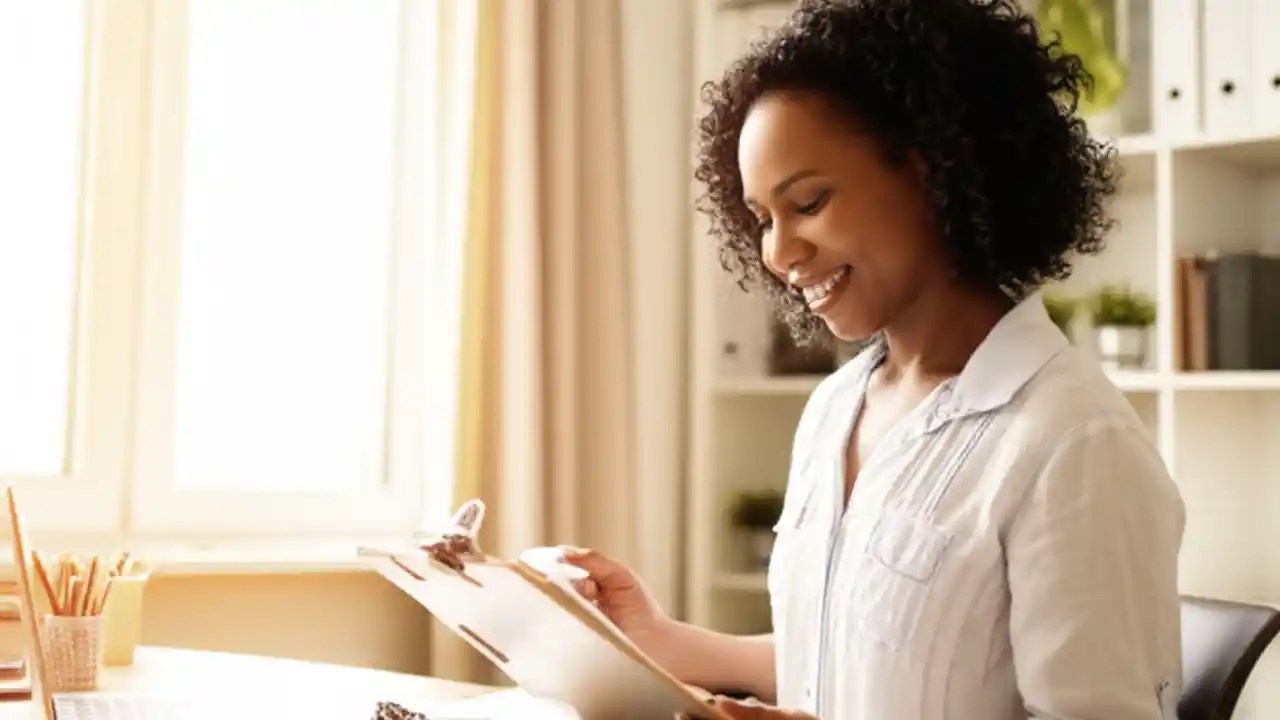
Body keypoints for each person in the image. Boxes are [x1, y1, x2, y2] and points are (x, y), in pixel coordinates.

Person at [562, 1, 1185, 718]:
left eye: (809, 202)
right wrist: (663, 640)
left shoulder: (1073, 444)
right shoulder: (837, 408)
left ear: (933, 172)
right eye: (763, 219)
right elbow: (854, 657)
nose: (779, 253)